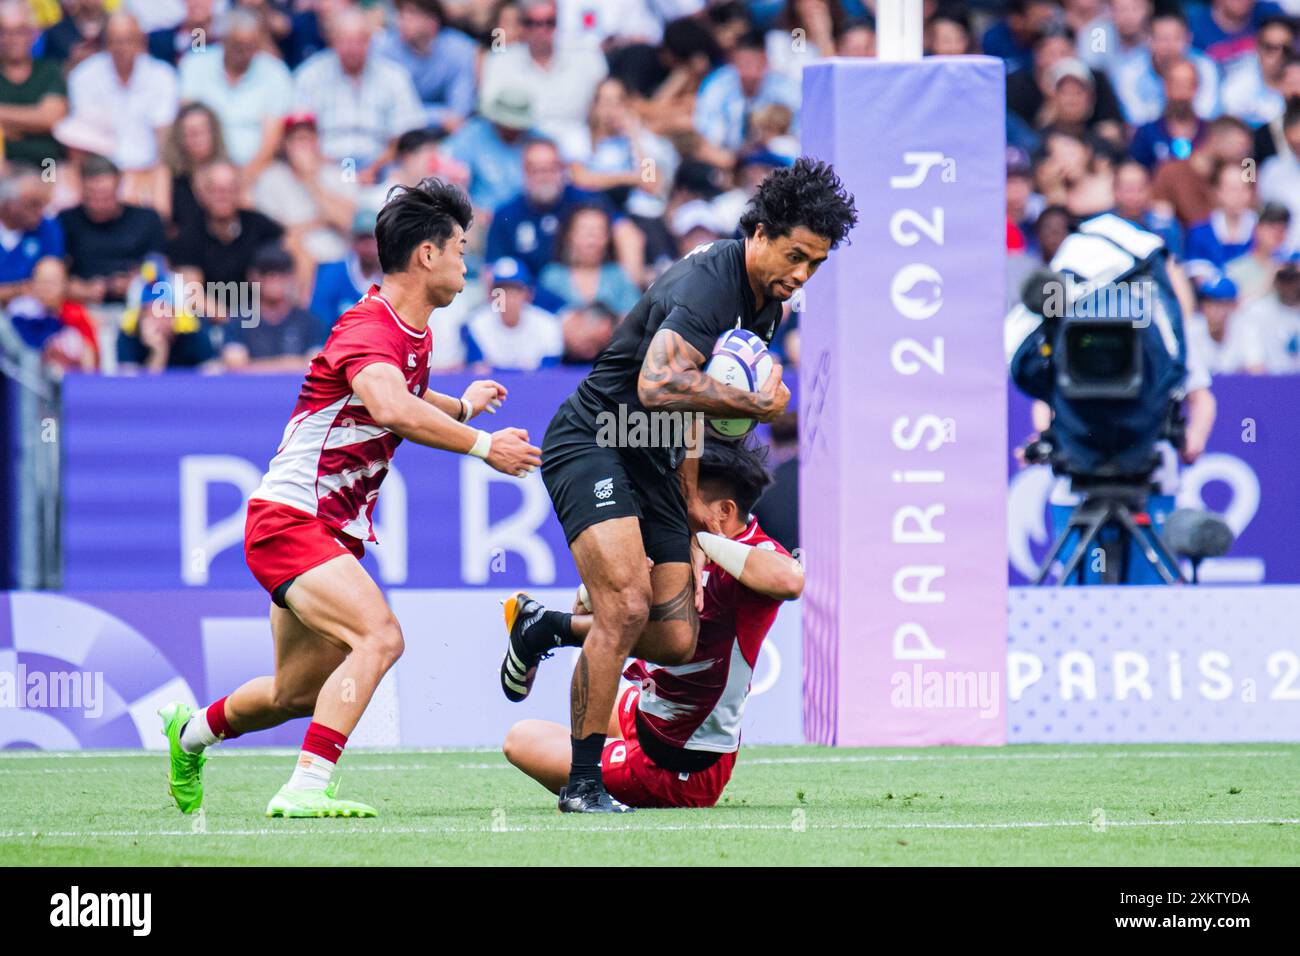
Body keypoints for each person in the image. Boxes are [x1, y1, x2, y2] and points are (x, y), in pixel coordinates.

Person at [157, 178, 542, 819]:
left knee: (296, 691)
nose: (466, 266)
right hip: (290, 520)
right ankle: (307, 784)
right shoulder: (369, 324)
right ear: (426, 254)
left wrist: (462, 402)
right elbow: (391, 406)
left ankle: (189, 732)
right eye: (460, 249)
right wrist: (482, 445)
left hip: (323, 531)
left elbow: (403, 393)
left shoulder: (407, 332)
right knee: (382, 637)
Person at [530, 157, 854, 812]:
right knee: (623, 607)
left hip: (657, 460)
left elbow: (689, 417)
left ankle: (545, 628)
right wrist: (754, 403)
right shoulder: (711, 283)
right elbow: (656, 384)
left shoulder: (767, 308)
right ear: (758, 232)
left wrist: (695, 526)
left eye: (815, 265)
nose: (801, 275)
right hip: (596, 441)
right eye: (795, 255)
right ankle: (585, 785)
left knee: (676, 636)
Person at [502, 438, 802, 809]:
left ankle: (547, 629)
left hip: (678, 766)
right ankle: (545, 630)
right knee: (591, 696)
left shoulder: (755, 557)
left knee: (520, 739)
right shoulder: (674, 546)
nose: (668, 510)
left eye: (682, 500)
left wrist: (702, 541)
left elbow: (790, 581)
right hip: (649, 711)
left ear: (723, 512)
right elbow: (603, 620)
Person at [177, 7, 293, 179]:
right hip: (200, 169)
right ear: (223, 41)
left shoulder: (275, 71)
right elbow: (188, 124)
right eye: (239, 46)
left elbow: (272, 141)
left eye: (251, 46)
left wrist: (244, 179)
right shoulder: (195, 64)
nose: (246, 53)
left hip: (258, 171)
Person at [57, 155, 166, 305]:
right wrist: (81, 289)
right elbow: (52, 271)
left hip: (139, 303)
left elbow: (160, 265)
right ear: (81, 188)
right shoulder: (65, 221)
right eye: (92, 195)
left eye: (106, 195)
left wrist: (136, 282)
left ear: (119, 186)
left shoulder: (146, 219)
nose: (99, 203)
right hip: (81, 305)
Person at [371, 0, 478, 133]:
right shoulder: (383, 47)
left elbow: (458, 114)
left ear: (432, 22)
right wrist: (439, 117)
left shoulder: (461, 50)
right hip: (394, 133)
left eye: (411, 14)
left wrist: (419, 116)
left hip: (444, 136)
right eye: (401, 13)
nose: (402, 20)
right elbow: (382, 110)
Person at [221, 245, 322, 372]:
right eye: (266, 272)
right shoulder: (238, 321)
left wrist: (254, 366)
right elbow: (235, 367)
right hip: (250, 390)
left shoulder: (310, 322)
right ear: (253, 277)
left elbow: (315, 367)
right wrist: (291, 363)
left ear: (292, 277)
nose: (274, 278)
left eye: (282, 272)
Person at [538, 203, 643, 317]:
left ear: (607, 237)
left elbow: (635, 320)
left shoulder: (618, 275)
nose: (592, 238)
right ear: (569, 235)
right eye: (584, 230)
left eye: (599, 231)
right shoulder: (552, 276)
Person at [461, 255, 563, 370]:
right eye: (501, 291)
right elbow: (477, 370)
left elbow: (549, 373)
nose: (507, 298)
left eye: (515, 290)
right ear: (491, 294)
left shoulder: (548, 324)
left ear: (528, 293)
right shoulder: (475, 324)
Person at [0, 0, 68, 167]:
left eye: (20, 31)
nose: (12, 39)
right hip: (5, 168)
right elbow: (42, 119)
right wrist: (32, 120)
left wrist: (6, 122)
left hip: (48, 164)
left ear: (34, 33)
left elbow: (51, 118)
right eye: (4, 32)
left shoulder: (49, 71)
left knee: (41, 186)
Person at [0, 164, 63, 307]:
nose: (40, 211)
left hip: (34, 312)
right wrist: (17, 290)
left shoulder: (48, 228)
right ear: (8, 205)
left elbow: (51, 283)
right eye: (33, 205)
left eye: (42, 204)